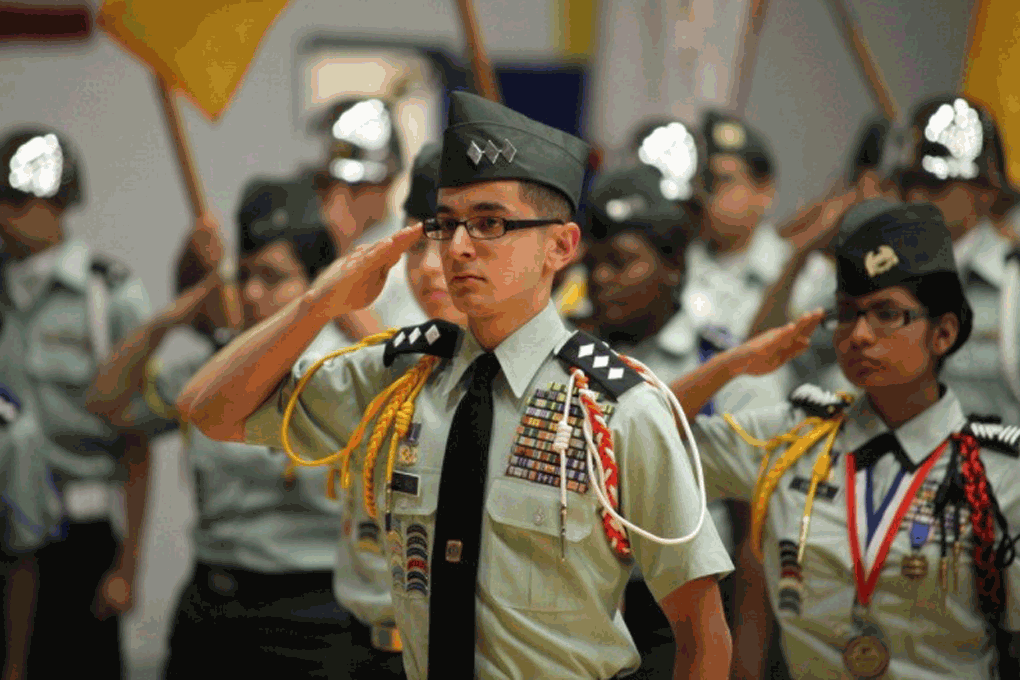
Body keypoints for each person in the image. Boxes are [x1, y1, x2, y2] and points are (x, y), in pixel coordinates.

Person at [180, 91, 734, 679]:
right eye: (446, 225)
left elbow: (702, 635)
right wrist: (318, 303)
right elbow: (213, 413)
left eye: (490, 223)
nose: (458, 248)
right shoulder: (397, 381)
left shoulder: (620, 408)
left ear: (561, 246)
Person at [672, 198, 1020, 679]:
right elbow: (635, 442)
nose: (857, 335)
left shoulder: (1000, 476)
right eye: (846, 313)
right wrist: (732, 364)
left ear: (942, 333)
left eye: (886, 315)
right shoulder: (790, 440)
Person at [86, 178, 411, 678]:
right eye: (246, 275)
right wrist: (173, 316)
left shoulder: (342, 373)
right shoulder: (216, 378)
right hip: (212, 608)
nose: (255, 292)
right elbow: (106, 404)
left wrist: (338, 307)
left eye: (274, 277)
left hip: (312, 614)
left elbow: (410, 409)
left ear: (314, 282)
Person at [0, 126, 169, 677]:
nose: (10, 214)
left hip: (78, 536)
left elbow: (138, 440)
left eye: (23, 201)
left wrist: (129, 566)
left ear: (61, 203)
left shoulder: (107, 295)